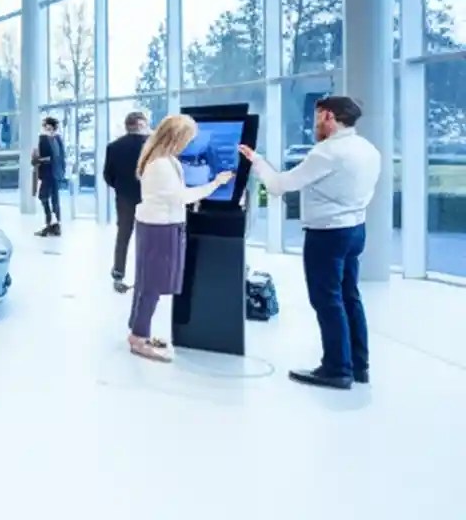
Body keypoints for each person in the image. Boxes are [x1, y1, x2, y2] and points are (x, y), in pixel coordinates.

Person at [239, 96, 380, 390]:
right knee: (349, 296)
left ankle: (336, 369)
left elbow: (279, 185)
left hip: (327, 234)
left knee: (327, 300)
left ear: (328, 116)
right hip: (355, 230)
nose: (314, 124)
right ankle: (358, 365)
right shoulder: (368, 149)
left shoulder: (327, 152)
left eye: (317, 117)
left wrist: (257, 162)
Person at [128, 115, 234, 362]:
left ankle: (138, 331)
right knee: (152, 284)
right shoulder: (161, 164)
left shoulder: (161, 160)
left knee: (147, 282)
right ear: (176, 137)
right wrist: (215, 184)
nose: (189, 144)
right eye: (187, 138)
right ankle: (139, 337)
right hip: (160, 228)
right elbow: (181, 197)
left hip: (157, 225)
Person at [103, 111, 151, 292]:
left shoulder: (113, 147)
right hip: (148, 197)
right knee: (146, 236)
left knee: (123, 235)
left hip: (124, 198)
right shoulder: (152, 146)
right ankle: (145, 274)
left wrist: (120, 187)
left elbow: (108, 175)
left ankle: (118, 272)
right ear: (141, 124)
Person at [33, 117, 66, 237]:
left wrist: (62, 171)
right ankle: (53, 224)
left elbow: (60, 157)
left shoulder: (55, 139)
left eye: (49, 128)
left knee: (50, 199)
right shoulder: (45, 139)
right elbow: (38, 158)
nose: (48, 130)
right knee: (47, 198)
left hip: (53, 174)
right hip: (50, 174)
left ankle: (52, 225)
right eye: (46, 128)